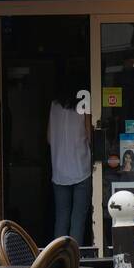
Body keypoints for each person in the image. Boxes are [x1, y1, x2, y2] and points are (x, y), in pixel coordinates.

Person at [47, 74, 93, 241]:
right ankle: (75, 260)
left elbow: (49, 138)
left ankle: (57, 258)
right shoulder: (84, 103)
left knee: (61, 217)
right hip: (81, 169)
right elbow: (88, 134)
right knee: (78, 220)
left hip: (59, 171)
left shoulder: (54, 105)